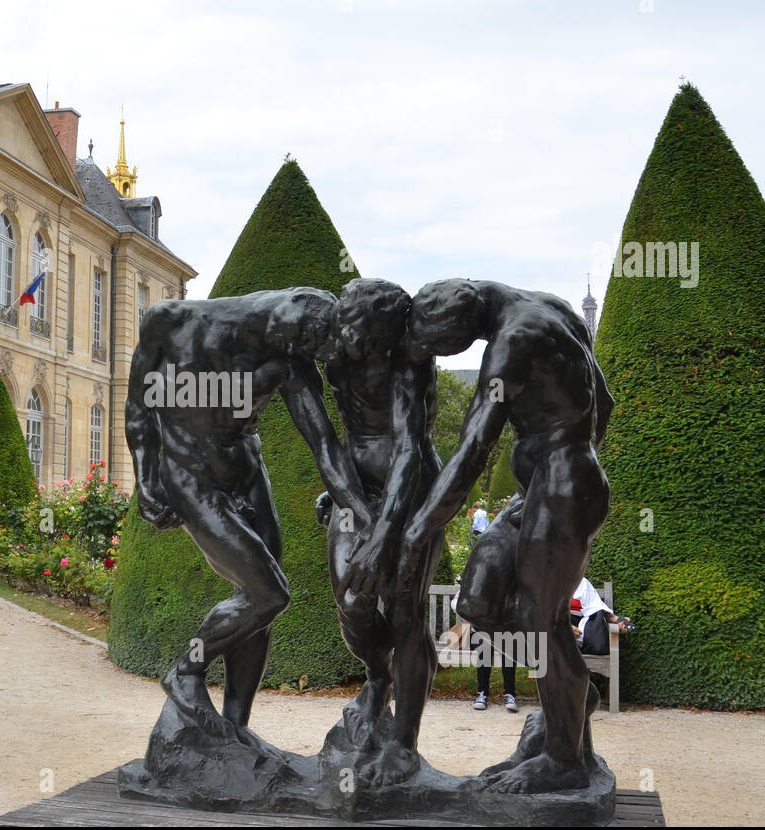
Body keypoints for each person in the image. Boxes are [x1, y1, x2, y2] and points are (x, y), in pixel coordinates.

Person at [126, 288, 372, 757]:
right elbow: (140, 408)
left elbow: (324, 446)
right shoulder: (170, 323)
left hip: (248, 474)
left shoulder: (289, 358)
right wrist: (146, 478)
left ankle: (235, 728)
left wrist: (363, 515)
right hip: (191, 477)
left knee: (257, 606)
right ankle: (186, 671)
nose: (298, 359)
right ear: (278, 322)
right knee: (268, 594)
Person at [393, 279, 614, 794]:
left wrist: (418, 530)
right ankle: (572, 696)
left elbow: (473, 450)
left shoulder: (512, 341)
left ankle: (564, 758)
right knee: (476, 600)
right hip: (542, 488)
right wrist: (545, 469)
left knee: (540, 622)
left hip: (564, 488)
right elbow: (604, 400)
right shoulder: (552, 308)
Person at [313, 278, 443, 785]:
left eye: (357, 330)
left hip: (411, 495)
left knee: (407, 614)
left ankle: (404, 746)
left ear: (386, 334)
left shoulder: (410, 361)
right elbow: (341, 431)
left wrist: (390, 531)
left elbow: (410, 445)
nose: (344, 337)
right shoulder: (339, 357)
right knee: (351, 598)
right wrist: (340, 486)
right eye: (343, 324)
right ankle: (377, 676)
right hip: (358, 489)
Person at [570, 577, 634, 655]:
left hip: (575, 626)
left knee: (596, 630)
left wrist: (616, 619)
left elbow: (595, 607)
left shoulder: (579, 581)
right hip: (554, 630)